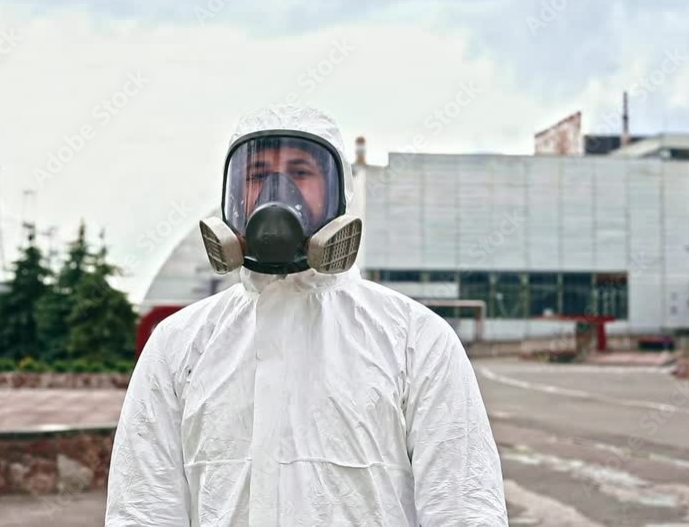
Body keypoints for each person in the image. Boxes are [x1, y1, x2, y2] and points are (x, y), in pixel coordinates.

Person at [105, 105, 508, 526]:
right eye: (258, 174)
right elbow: (142, 511)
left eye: (300, 172)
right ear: (233, 198)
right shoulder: (178, 344)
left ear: (338, 194)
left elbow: (464, 510)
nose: (277, 191)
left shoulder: (415, 339)